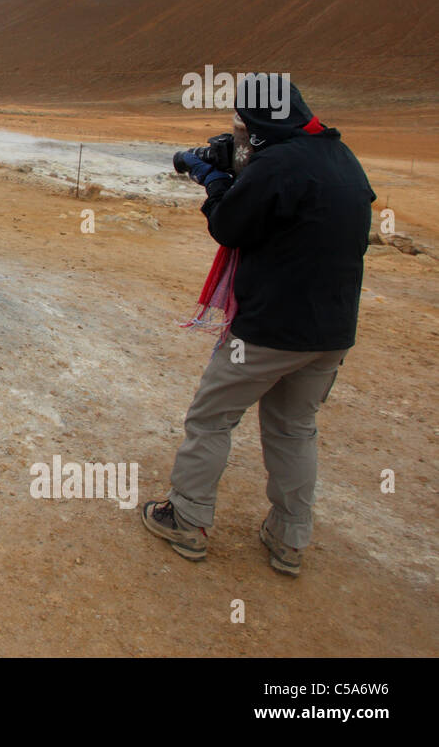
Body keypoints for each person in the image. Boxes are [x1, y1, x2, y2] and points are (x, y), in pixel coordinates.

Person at [142, 76, 376, 576]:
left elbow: (229, 225)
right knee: (294, 430)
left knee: (211, 419)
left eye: (243, 126)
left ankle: (186, 519)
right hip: (331, 333)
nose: (239, 134)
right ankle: (289, 539)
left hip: (269, 330)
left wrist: (211, 179)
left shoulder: (277, 163)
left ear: (261, 122)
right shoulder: (341, 156)